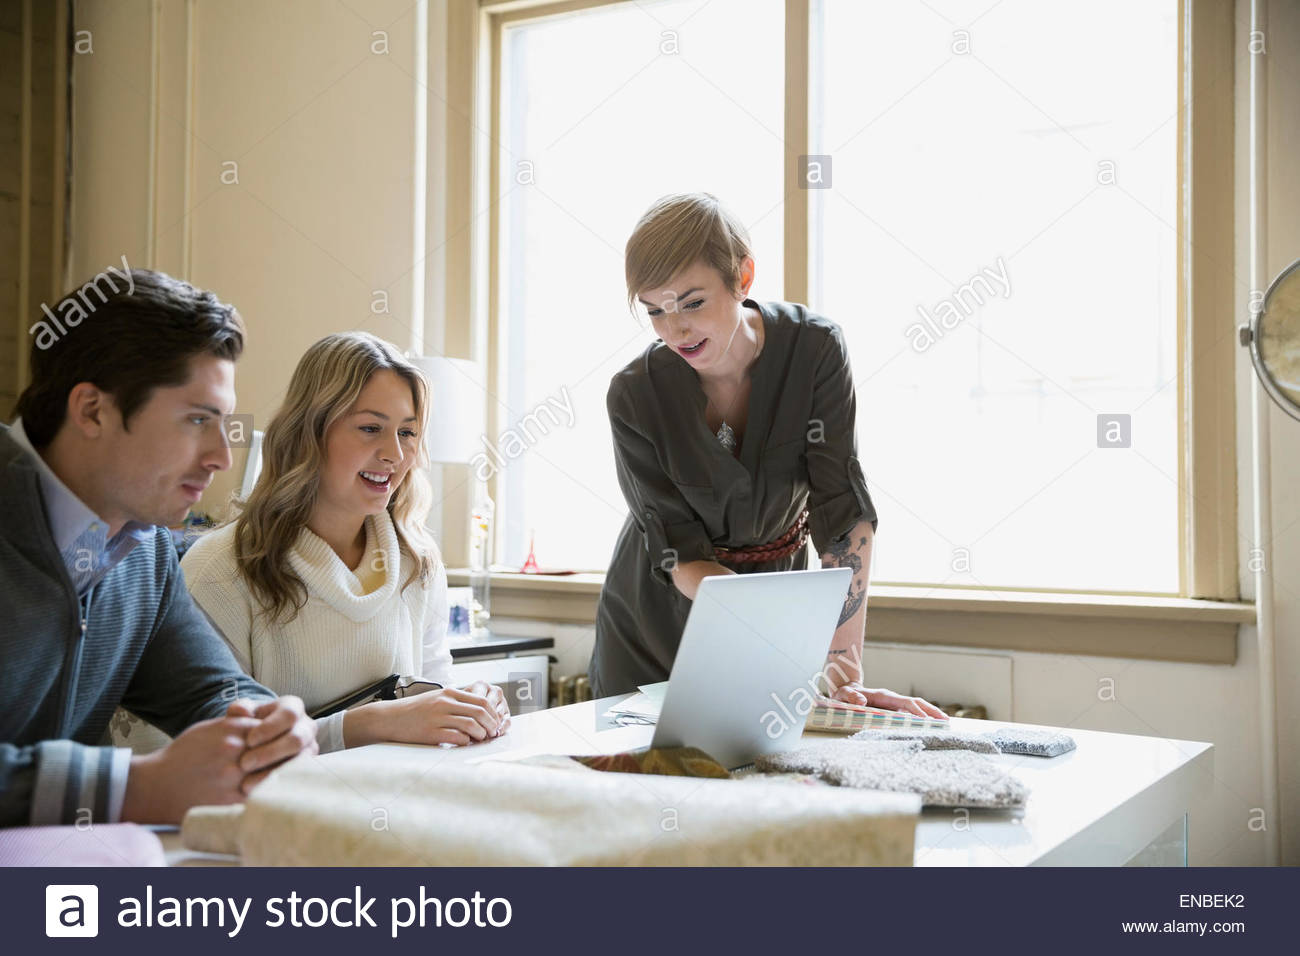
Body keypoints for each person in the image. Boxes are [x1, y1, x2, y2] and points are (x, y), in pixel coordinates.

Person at [590, 193, 946, 719]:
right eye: (655, 311)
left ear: (744, 276)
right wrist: (781, 642)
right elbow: (678, 552)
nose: (676, 330)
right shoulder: (634, 394)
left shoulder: (815, 350)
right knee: (652, 788)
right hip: (655, 617)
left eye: (692, 303)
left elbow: (842, 513)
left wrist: (840, 660)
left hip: (772, 598)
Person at [0, 268, 317, 828]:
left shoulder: (141, 549)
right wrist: (131, 788)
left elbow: (210, 688)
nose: (222, 455)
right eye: (198, 419)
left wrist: (269, 727)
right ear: (92, 410)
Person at [181, 332, 510, 752]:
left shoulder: (418, 563)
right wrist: (363, 724)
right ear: (309, 433)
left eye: (407, 433)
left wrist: (468, 707)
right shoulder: (220, 570)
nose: (393, 453)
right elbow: (211, 750)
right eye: (370, 428)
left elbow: (433, 687)